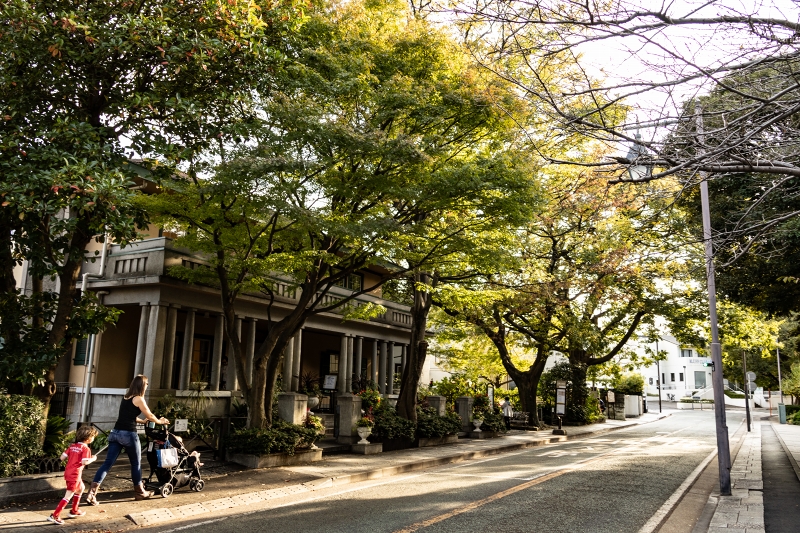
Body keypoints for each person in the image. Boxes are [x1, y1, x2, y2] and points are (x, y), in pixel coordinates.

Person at [86, 375, 169, 505]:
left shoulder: (126, 397)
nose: (147, 386)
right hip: (129, 434)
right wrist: (160, 421)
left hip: (115, 433)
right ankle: (140, 492)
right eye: (146, 384)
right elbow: (150, 415)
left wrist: (141, 421)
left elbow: (128, 416)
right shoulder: (139, 399)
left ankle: (91, 494)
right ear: (142, 385)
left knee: (107, 463)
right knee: (136, 463)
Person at [48, 425, 98, 525]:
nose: (93, 438)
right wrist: (93, 459)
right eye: (93, 437)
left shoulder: (72, 446)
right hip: (75, 474)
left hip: (69, 472)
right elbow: (84, 462)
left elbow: (62, 457)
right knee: (68, 495)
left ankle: (74, 510)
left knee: (81, 488)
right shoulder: (86, 449)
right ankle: (55, 515)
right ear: (88, 439)